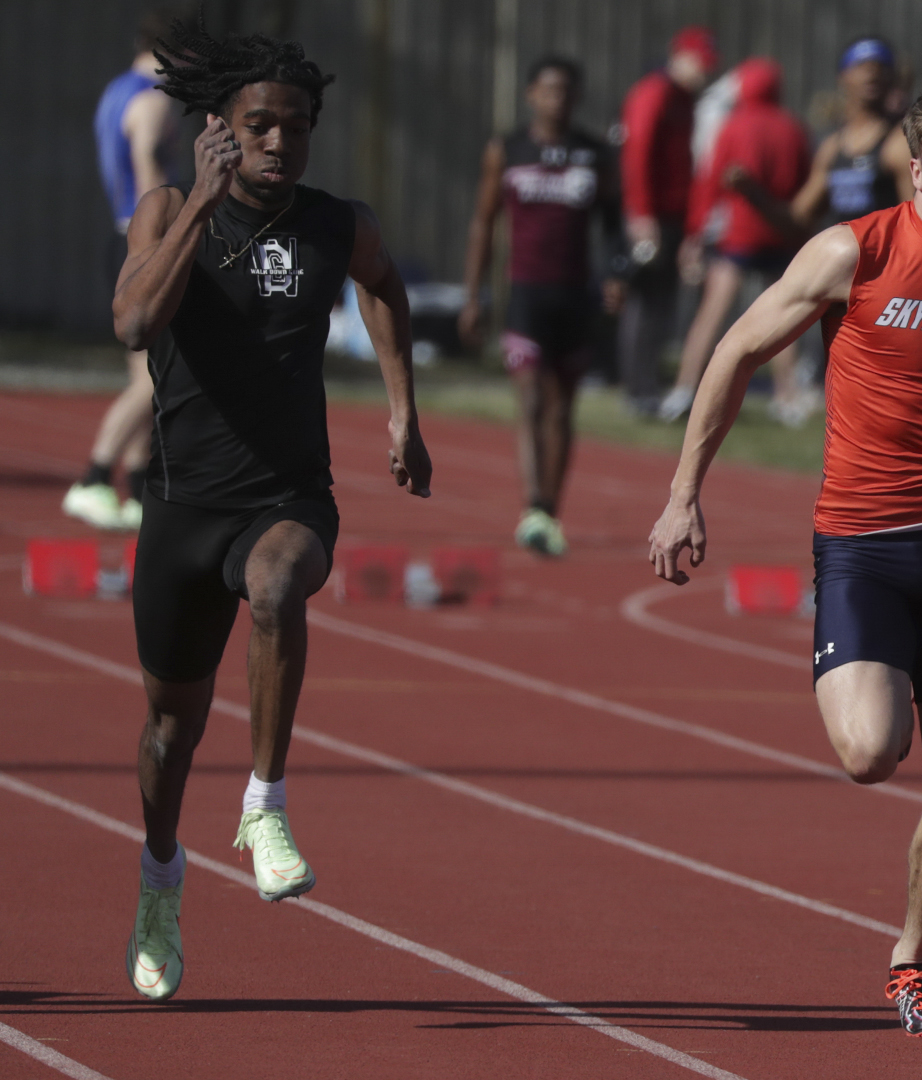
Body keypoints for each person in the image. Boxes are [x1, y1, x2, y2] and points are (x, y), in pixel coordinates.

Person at [646, 73, 922, 1037]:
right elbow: (736, 352)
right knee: (873, 753)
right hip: (866, 543)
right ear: (916, 168)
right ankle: (873, 674)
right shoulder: (853, 250)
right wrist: (682, 497)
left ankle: (910, 960)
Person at [113, 19, 433, 1002]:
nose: (279, 144)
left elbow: (383, 286)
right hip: (180, 505)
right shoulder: (172, 205)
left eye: (295, 127)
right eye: (260, 125)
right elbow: (131, 319)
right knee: (169, 731)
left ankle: (264, 804)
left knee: (278, 580)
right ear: (222, 127)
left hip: (288, 494)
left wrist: (401, 408)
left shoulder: (337, 223)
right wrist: (199, 200)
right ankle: (162, 875)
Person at [458, 57, 624, 557]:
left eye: (567, 91)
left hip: (575, 297)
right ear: (531, 94)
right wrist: (473, 295)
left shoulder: (594, 153)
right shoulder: (508, 149)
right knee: (529, 399)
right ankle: (533, 505)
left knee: (561, 408)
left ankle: (550, 509)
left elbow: (614, 223)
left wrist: (616, 275)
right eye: (549, 90)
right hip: (526, 295)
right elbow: (484, 222)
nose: (558, 99)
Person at [68, 10, 180, 532]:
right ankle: (93, 476)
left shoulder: (115, 90)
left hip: (120, 238)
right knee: (154, 383)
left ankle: (136, 488)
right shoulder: (154, 100)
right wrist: (172, 235)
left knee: (147, 374)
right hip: (144, 243)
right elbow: (148, 169)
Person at [657, 58, 813, 425]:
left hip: (738, 235)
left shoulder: (733, 125)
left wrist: (695, 233)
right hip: (780, 233)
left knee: (712, 313)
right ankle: (787, 396)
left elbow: (711, 181)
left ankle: (684, 388)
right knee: (786, 316)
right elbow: (804, 183)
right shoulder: (794, 128)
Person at [615, 26, 717, 415]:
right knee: (644, 300)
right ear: (680, 57)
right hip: (653, 216)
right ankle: (636, 388)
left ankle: (648, 383)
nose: (703, 73)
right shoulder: (654, 93)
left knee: (661, 302)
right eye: (698, 64)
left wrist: (692, 226)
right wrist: (641, 214)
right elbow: (638, 153)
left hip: (674, 215)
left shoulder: (685, 100)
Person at [788, 37, 913, 231]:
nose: (872, 72)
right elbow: (799, 217)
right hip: (846, 258)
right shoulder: (832, 147)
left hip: (888, 258)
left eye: (881, 65)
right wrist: (754, 195)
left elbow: (917, 221)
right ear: (843, 76)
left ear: (893, 78)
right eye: (862, 65)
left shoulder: (899, 143)